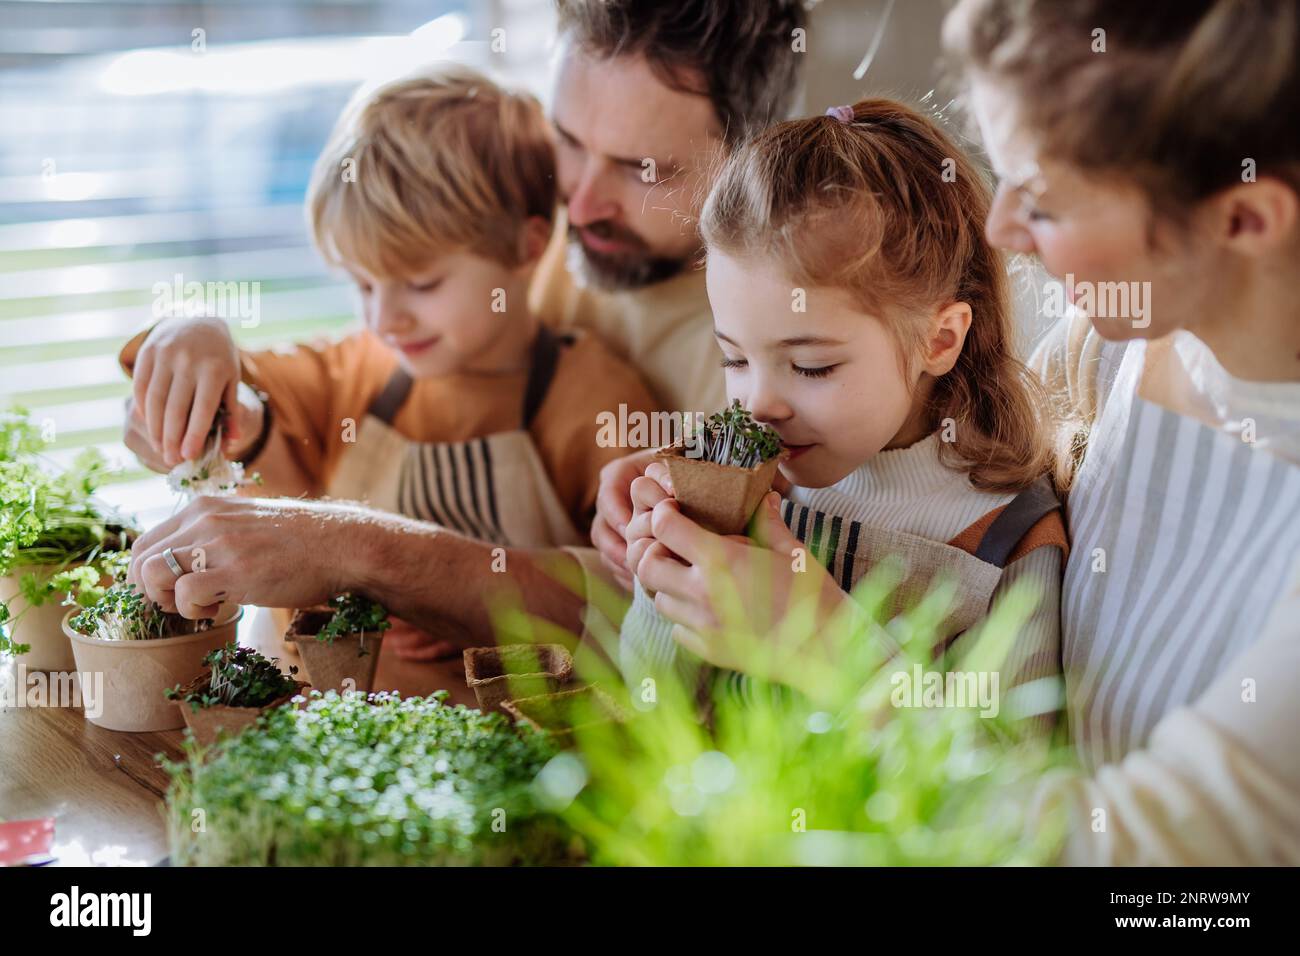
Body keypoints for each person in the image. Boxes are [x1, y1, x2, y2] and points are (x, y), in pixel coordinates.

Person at [126, 1, 808, 650]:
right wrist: (198, 340)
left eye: (641, 169)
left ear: (746, 160)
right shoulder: (514, 228)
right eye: (568, 140)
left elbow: (647, 617)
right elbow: (308, 390)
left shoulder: (768, 368)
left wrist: (381, 565)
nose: (577, 203)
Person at [945, 0, 1300, 864]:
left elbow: (1113, 853)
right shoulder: (1108, 351)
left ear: (1245, 219)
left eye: (1043, 203)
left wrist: (818, 647)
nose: (998, 230)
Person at [618, 99, 1065, 730]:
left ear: (938, 340)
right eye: (734, 359)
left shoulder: (1006, 536)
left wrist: (829, 647)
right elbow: (654, 716)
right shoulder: (751, 487)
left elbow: (1007, 771)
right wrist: (663, 578)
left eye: (811, 367)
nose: (758, 405)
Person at [124, 64, 657, 549]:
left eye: (422, 284)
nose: (384, 320)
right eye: (363, 286)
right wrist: (193, 334)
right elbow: (242, 391)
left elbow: (626, 599)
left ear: (527, 247)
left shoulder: (597, 405)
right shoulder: (351, 372)